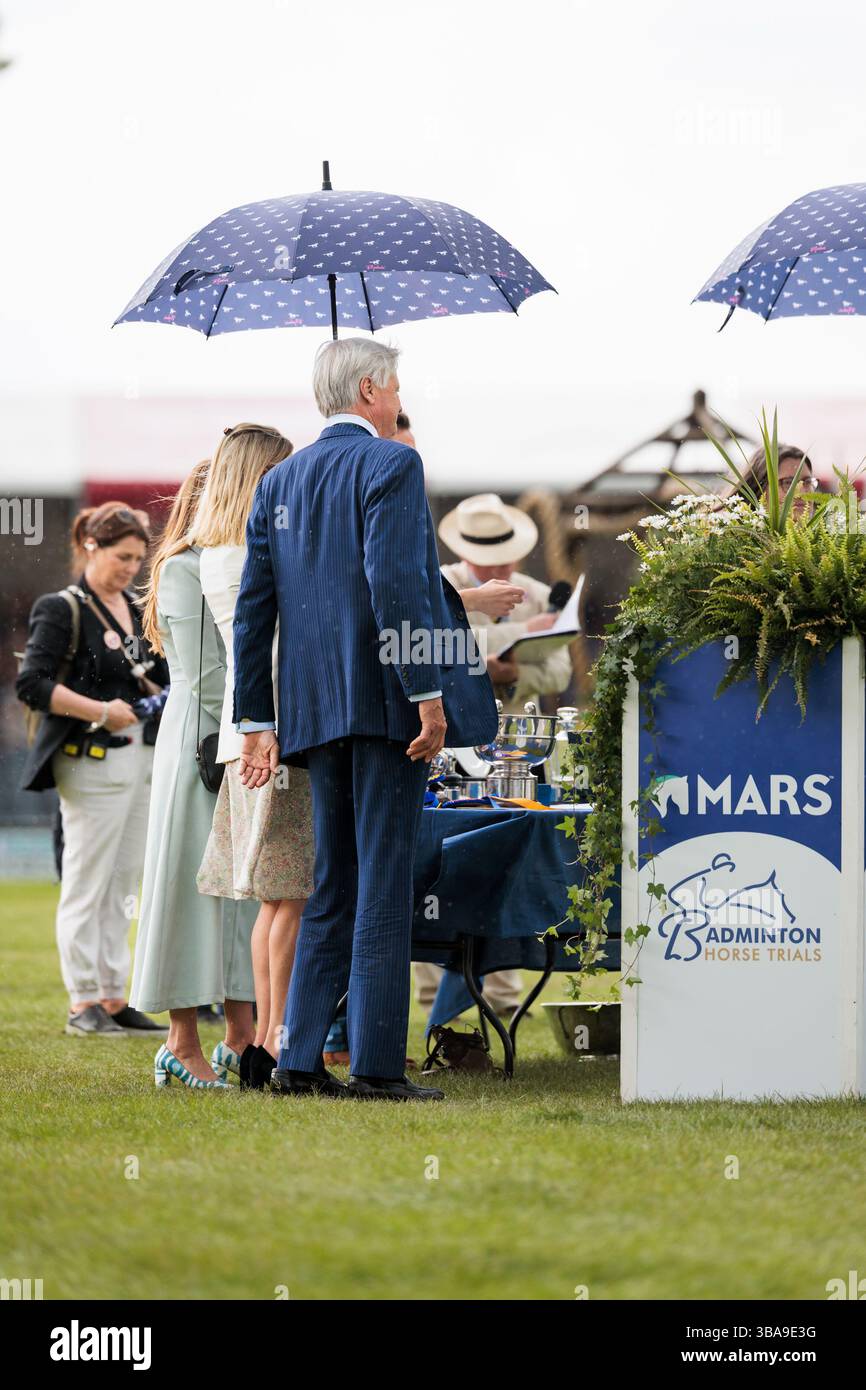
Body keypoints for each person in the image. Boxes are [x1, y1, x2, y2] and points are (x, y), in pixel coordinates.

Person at [232, 337, 498, 1102]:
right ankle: (379, 1068)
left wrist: (257, 717)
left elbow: (256, 610)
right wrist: (426, 689)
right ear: (374, 389)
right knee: (382, 886)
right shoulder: (394, 463)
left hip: (311, 709)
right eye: (398, 384)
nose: (399, 395)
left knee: (333, 887)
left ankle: (297, 1061)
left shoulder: (279, 479)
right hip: (384, 705)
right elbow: (395, 579)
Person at [16, 502, 169, 1038]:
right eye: (121, 557)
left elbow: (160, 674)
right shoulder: (62, 608)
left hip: (141, 757)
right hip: (89, 759)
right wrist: (100, 710)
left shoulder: (135, 605)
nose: (130, 567)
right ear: (91, 547)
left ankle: (113, 993)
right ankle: (83, 999)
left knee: (123, 882)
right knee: (86, 881)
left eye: (137, 558)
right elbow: (31, 684)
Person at [194, 424, 315, 1090]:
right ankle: (274, 1037)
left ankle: (265, 1040)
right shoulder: (256, 552)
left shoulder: (220, 550)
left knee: (275, 899)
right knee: (290, 895)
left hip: (245, 730)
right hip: (272, 732)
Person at [130, 462, 258, 1089]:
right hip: (198, 745)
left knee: (241, 892)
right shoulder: (184, 568)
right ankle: (181, 1043)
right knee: (187, 890)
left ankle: (241, 1035)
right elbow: (208, 679)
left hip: (230, 737)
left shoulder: (232, 561)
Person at [439, 492, 574, 715]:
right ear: (465, 554)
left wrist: (516, 676)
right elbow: (439, 644)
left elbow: (561, 672)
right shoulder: (442, 586)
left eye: (507, 556)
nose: (501, 567)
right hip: (460, 730)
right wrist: (525, 631)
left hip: (523, 733)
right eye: (489, 559)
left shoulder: (539, 593)